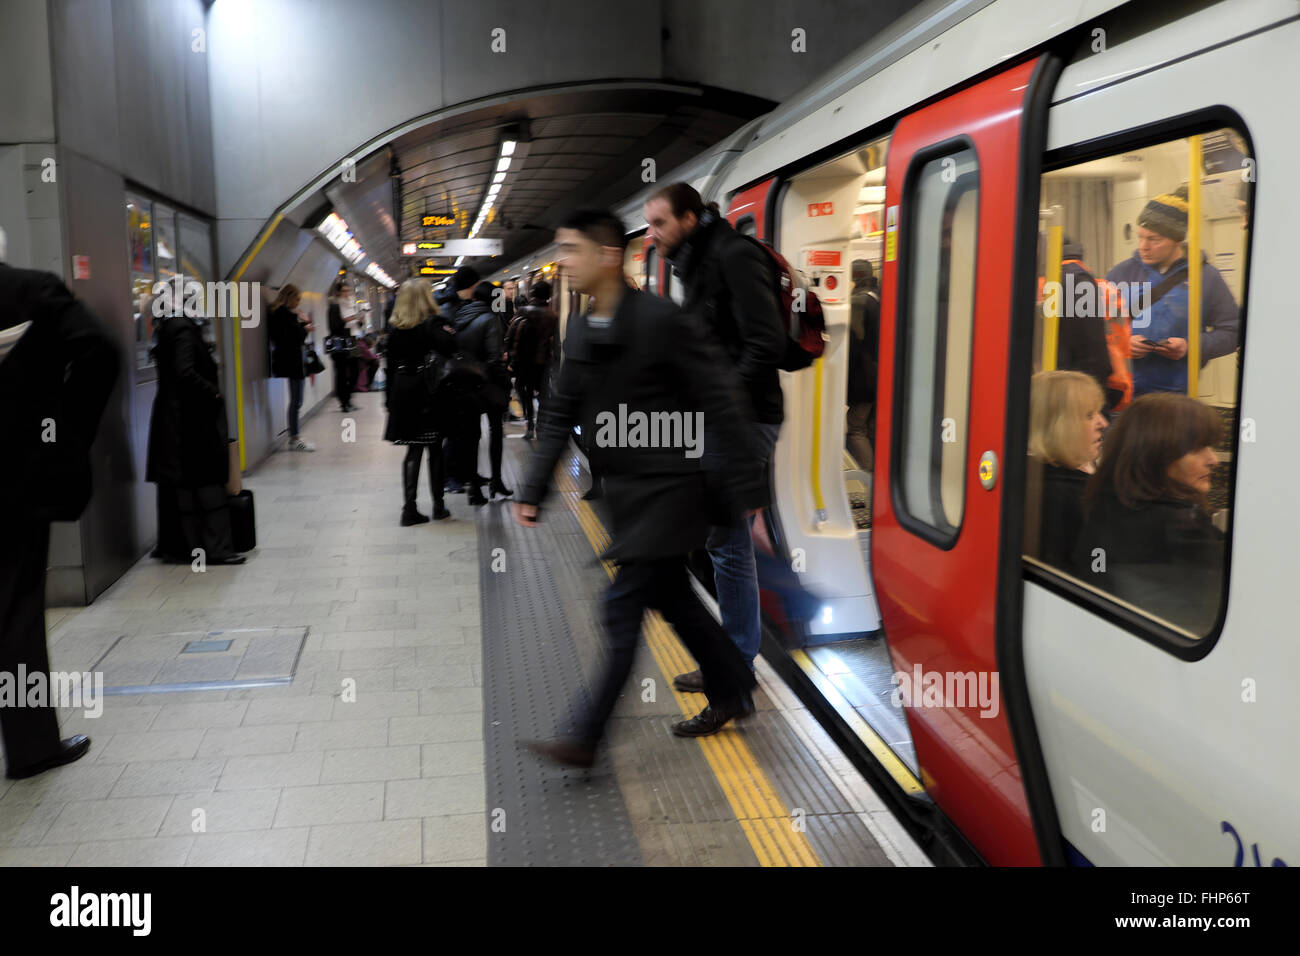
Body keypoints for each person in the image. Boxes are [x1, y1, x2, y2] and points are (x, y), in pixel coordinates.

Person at [514, 209, 765, 767]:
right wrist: (532, 488)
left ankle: (584, 737)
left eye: (572, 250)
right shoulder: (582, 328)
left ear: (608, 256)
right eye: (560, 251)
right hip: (628, 497)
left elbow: (720, 395)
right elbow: (559, 412)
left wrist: (746, 479)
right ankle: (733, 688)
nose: (564, 262)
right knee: (678, 604)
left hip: (674, 492)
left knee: (620, 609)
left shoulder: (661, 320)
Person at [645, 181, 791, 688]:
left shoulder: (732, 255)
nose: (652, 233)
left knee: (727, 543)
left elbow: (765, 342)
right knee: (721, 539)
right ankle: (734, 655)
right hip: (720, 417)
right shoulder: (697, 262)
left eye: (660, 222)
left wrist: (720, 397)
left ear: (689, 218)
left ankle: (735, 664)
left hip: (744, 419)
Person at [0, 237, 119, 778]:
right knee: (16, 609)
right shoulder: (32, 291)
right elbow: (101, 351)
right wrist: (66, 432)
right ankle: (30, 747)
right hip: (17, 480)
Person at [1072, 392, 1224, 632]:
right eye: (1196, 449)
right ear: (1154, 455)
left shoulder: (1106, 504)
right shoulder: (1181, 528)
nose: (1213, 460)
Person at [1105, 186, 1239, 397]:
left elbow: (1233, 331)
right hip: (1125, 397)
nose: (1143, 246)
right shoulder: (1120, 274)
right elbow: (1099, 327)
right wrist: (1124, 342)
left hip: (1179, 398)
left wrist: (1190, 346)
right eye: (1140, 237)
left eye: (1153, 239)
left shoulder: (1206, 277)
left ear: (1177, 240)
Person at [147, 301, 245, 566]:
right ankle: (216, 548)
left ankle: (182, 547)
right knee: (207, 480)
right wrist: (212, 392)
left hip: (174, 420)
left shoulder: (167, 328)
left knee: (180, 484)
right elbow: (185, 371)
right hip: (193, 420)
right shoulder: (184, 330)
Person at [384, 279, 457, 524]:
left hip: (402, 391)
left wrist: (389, 402)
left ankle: (409, 509)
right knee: (435, 448)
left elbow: (389, 367)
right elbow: (451, 348)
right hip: (428, 391)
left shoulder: (395, 330)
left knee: (413, 449)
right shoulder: (430, 326)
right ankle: (438, 506)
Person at [1025, 370, 1107, 567]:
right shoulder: (1074, 496)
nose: (1103, 423)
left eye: (1099, 412)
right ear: (1058, 427)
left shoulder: (1025, 475)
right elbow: (1099, 567)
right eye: (1089, 416)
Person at [449, 268, 510, 502]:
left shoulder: (459, 317)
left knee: (471, 438)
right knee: (496, 434)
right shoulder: (490, 319)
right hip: (489, 386)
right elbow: (495, 359)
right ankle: (496, 481)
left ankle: (474, 489)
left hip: (464, 386)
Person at [505, 279, 559, 441]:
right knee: (543, 393)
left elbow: (511, 333)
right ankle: (541, 426)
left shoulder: (524, 311)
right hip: (543, 361)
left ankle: (529, 426)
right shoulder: (552, 315)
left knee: (525, 392)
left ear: (534, 294)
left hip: (524, 360)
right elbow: (554, 340)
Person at [267, 284, 315, 452]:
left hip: (290, 360)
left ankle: (295, 436)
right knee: (297, 400)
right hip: (292, 361)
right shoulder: (284, 315)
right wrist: (305, 329)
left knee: (296, 400)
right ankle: (294, 438)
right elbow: (293, 337)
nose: (298, 302)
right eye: (297, 299)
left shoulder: (279, 314)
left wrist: (301, 327)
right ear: (289, 297)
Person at [846, 259, 880, 472]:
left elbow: (854, 345)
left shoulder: (858, 302)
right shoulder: (879, 297)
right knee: (870, 428)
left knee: (856, 429)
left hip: (864, 379)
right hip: (881, 376)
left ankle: (869, 475)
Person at [326, 277, 359, 412]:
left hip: (352, 338)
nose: (347, 293)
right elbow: (333, 326)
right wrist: (345, 320)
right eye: (344, 291)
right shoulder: (334, 306)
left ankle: (348, 397)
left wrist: (359, 320)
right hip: (340, 341)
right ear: (338, 292)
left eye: (348, 291)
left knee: (355, 370)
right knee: (341, 372)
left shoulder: (352, 304)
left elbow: (355, 323)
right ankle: (344, 401)